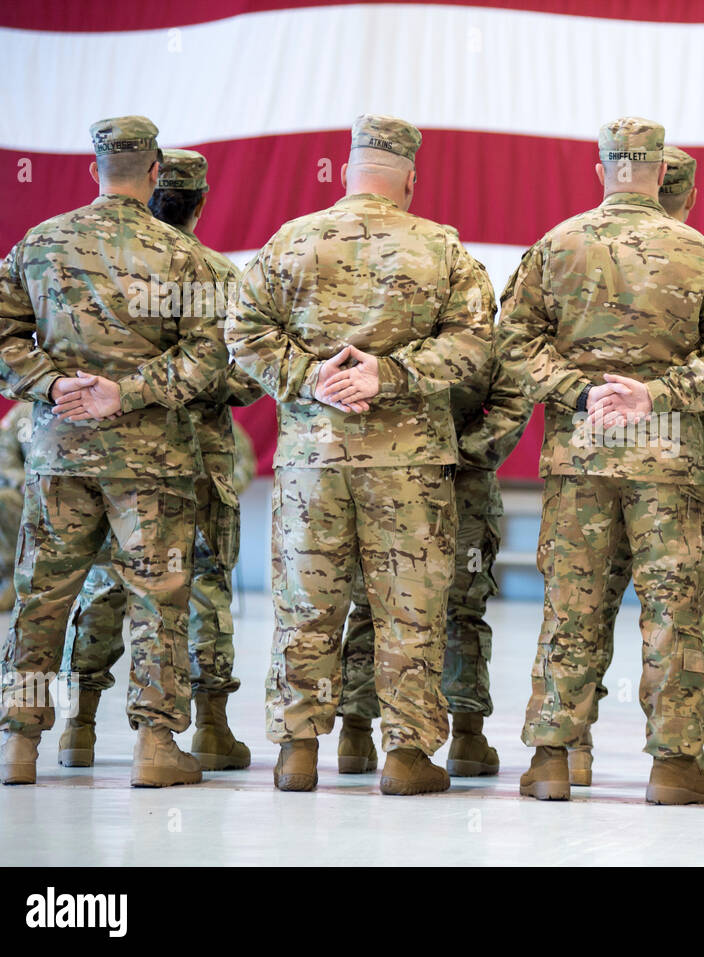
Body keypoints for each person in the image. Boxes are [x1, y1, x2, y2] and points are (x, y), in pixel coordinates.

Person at [226, 114, 492, 795]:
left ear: (345, 173)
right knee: (409, 607)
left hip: (312, 464)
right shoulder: (443, 249)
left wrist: (311, 377)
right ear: (410, 176)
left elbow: (243, 331)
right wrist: (391, 375)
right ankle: (406, 756)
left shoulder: (291, 240)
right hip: (408, 465)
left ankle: (296, 751)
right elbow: (474, 345)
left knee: (305, 605)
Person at [499, 117, 704, 804]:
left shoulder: (557, 246)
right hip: (670, 466)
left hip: (580, 458)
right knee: (674, 609)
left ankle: (552, 756)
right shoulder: (700, 253)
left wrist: (582, 392)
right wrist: (657, 393)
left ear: (603, 170)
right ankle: (675, 765)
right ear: (657, 174)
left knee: (571, 603)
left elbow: (512, 344)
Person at [0, 115, 227, 788]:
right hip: (152, 464)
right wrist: (126, 391)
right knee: (157, 600)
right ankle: (154, 746)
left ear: (93, 170)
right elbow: (208, 356)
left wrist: (53, 384)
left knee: (42, 597)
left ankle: (20, 745)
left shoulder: (42, 241)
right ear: (154, 174)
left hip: (60, 454)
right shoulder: (181, 255)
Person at [56, 149, 262, 772]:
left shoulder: (92, 264)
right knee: (200, 585)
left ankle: (79, 726)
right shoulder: (218, 274)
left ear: (147, 191)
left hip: (100, 454)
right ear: (201, 201)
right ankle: (209, 730)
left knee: (101, 584)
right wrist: (201, 387)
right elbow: (248, 372)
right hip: (195, 461)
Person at [333, 250, 532, 778]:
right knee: (461, 615)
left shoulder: (386, 342)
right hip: (460, 492)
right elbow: (514, 404)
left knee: (371, 608)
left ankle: (355, 738)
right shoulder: (483, 343)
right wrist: (464, 456)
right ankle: (467, 739)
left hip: (387, 488)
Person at [0, 402, 31, 613]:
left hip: (78, 492)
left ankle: (108, 587)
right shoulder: (22, 413)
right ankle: (10, 584)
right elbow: (3, 455)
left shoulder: (86, 400)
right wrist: (23, 482)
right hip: (31, 492)